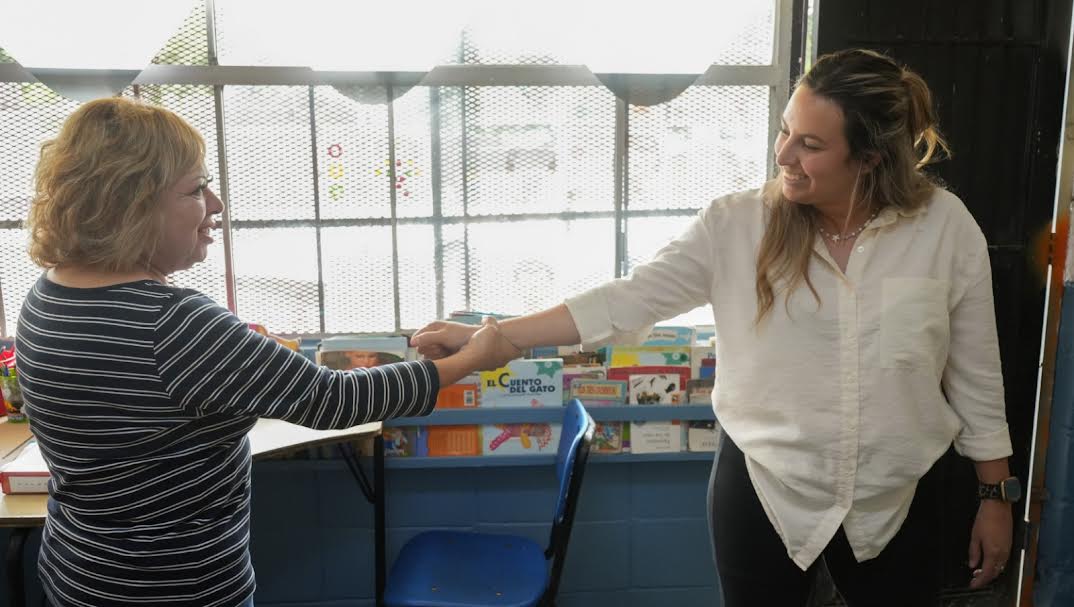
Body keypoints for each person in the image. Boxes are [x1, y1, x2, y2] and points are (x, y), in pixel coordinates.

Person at [412, 49, 1018, 606]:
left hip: (896, 497)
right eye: (785, 130)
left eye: (810, 144)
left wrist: (994, 497)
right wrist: (497, 337)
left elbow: (975, 372)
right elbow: (626, 300)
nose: (783, 156)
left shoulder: (945, 229)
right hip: (763, 489)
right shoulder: (737, 225)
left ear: (870, 157)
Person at [16, 97, 519, 607]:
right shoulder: (173, 322)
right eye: (196, 189)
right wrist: (471, 358)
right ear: (131, 204)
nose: (215, 205)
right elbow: (332, 399)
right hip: (172, 588)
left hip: (79, 572)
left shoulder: (48, 294)